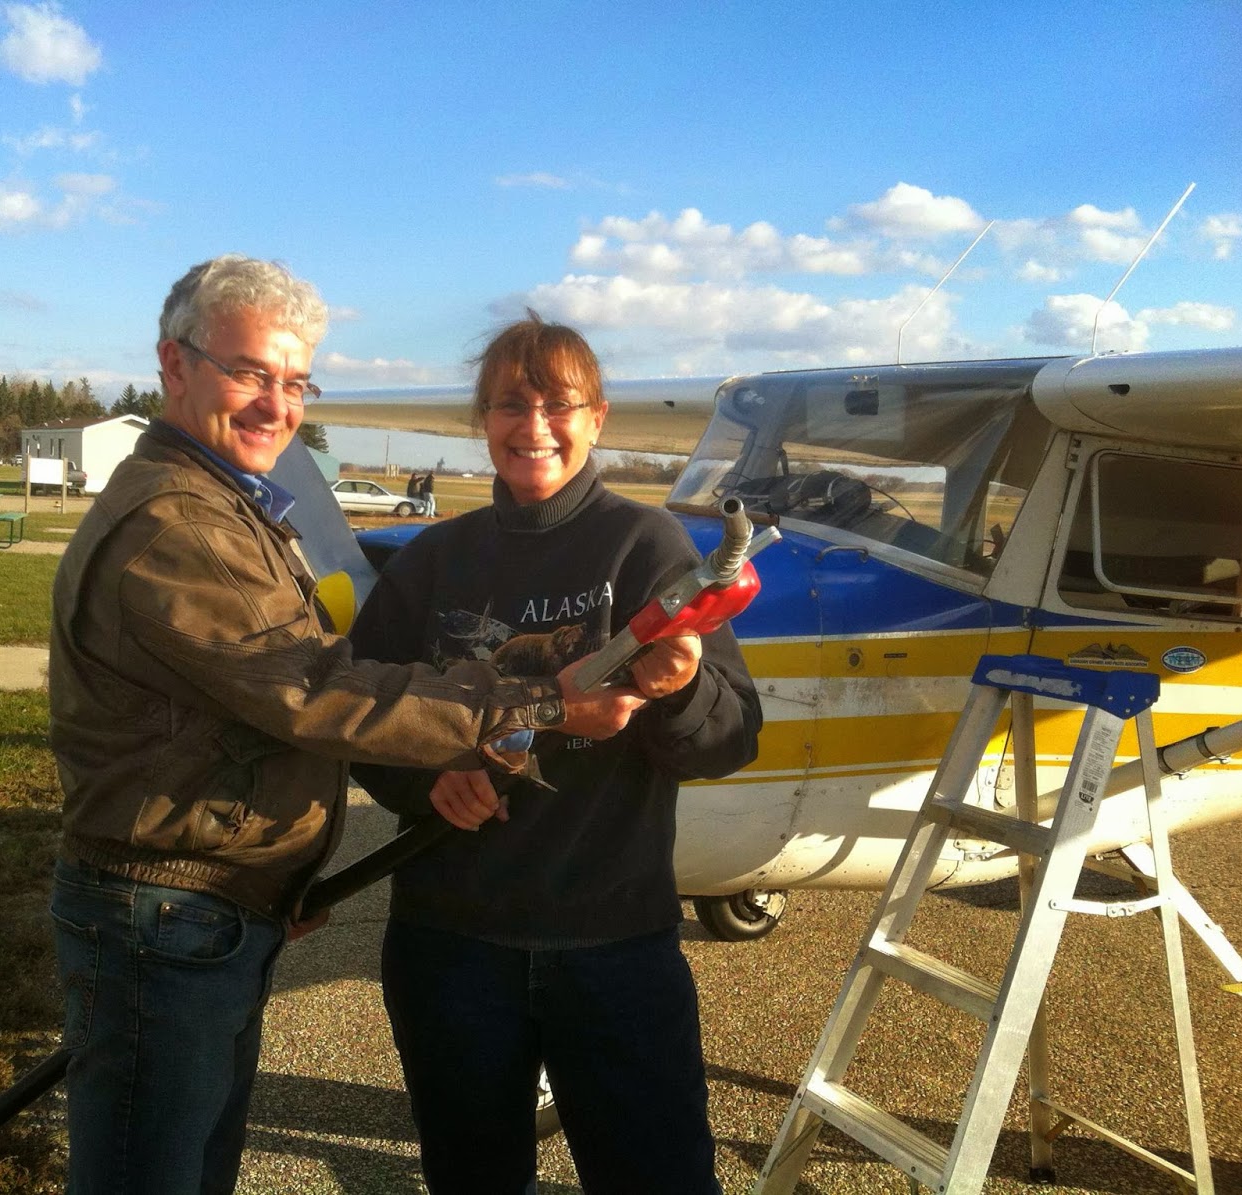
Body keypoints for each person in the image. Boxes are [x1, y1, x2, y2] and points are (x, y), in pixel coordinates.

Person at [46, 259, 648, 1195]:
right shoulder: (180, 522)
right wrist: (538, 703)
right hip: (166, 915)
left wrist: (275, 867)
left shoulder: (222, 499)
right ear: (175, 366)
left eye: (294, 383)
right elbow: (317, 689)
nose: (274, 405)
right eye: (249, 373)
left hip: (207, 901)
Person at [349, 313, 762, 1195]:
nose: (533, 425)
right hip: (450, 947)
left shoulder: (649, 547)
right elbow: (359, 718)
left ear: (598, 417)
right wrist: (430, 778)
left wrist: (680, 687)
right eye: (509, 404)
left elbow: (731, 739)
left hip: (614, 947)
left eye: (557, 404)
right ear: (482, 419)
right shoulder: (434, 560)